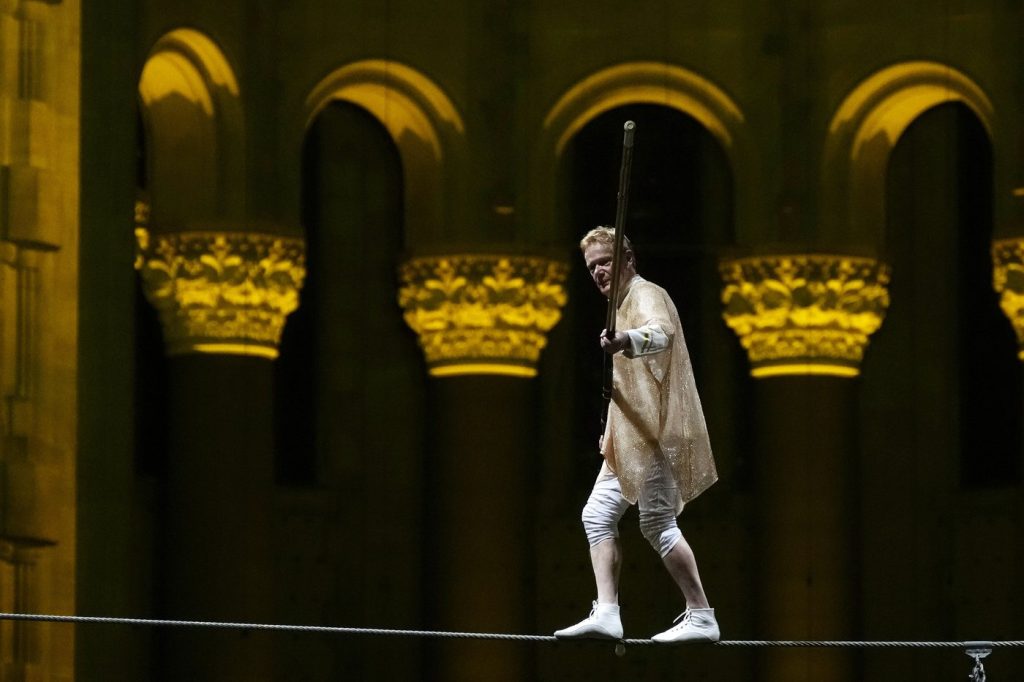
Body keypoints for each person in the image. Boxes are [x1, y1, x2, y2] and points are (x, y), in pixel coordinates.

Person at [553, 226, 720, 643]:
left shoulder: (645, 294)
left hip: (655, 434)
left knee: (658, 522)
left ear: (629, 260)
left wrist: (627, 339)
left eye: (605, 262)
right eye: (591, 267)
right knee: (597, 516)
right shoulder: (621, 305)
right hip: (631, 437)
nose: (597, 272)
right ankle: (607, 612)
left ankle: (701, 614)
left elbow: (661, 334)